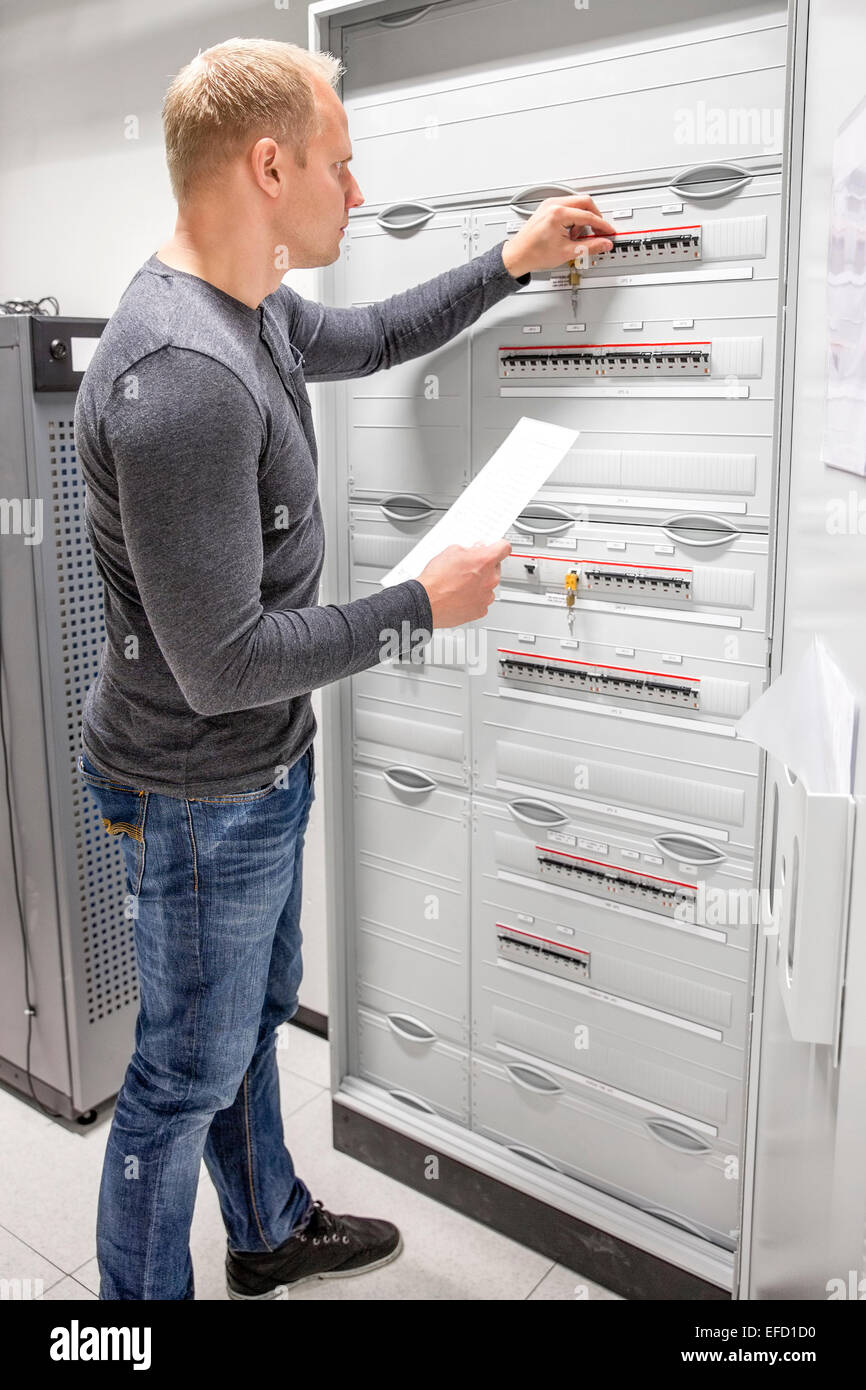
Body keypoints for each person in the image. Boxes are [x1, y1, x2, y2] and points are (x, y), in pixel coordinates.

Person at [73, 35, 615, 1301]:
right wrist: (417, 605)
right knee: (173, 1083)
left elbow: (365, 335)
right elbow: (219, 666)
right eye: (340, 163)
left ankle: (263, 1229)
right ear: (269, 166)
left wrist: (507, 260)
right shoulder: (183, 375)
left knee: (248, 1023)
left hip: (256, 768)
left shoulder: (244, 305)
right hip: (200, 788)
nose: (356, 192)